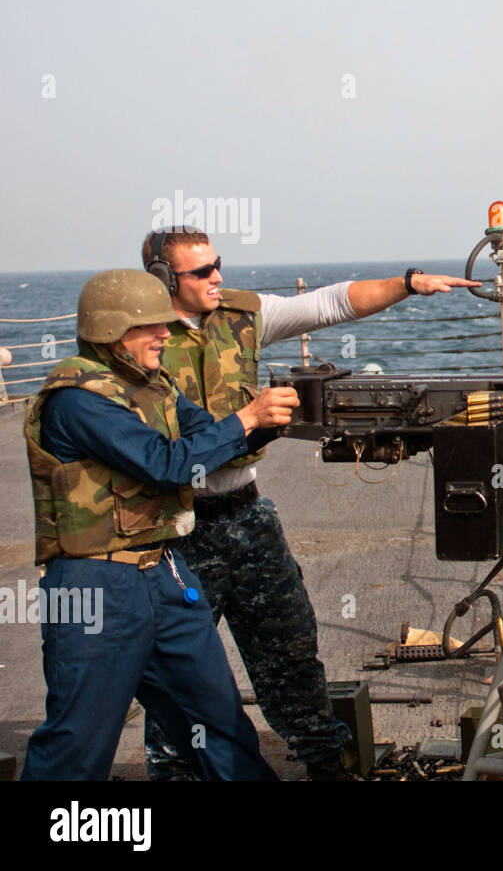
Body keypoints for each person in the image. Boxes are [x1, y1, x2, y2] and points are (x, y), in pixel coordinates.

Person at [139, 226, 480, 779]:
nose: (217, 277)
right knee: (176, 670)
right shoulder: (139, 335)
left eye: (217, 264)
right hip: (176, 528)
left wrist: (408, 283)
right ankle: (174, 769)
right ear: (162, 279)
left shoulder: (240, 315)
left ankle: (327, 761)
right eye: (201, 272)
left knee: (291, 648)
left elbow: (328, 304)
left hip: (246, 513)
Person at [21, 269, 298, 780]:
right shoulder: (78, 399)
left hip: (163, 574)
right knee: (78, 741)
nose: (163, 336)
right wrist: (248, 420)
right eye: (147, 327)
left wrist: (286, 416)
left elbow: (210, 438)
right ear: (109, 332)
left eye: (163, 324)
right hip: (94, 586)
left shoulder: (155, 388)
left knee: (218, 719)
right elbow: (165, 462)